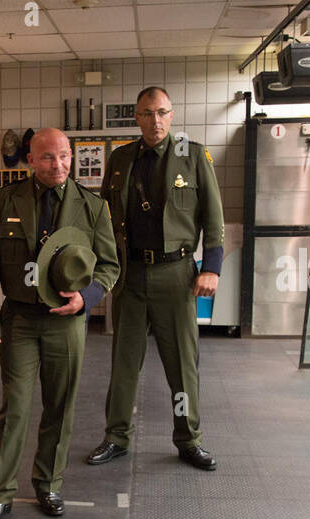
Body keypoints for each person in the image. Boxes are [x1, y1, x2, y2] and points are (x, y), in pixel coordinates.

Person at [0, 128, 120, 519]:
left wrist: (85, 299)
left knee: (60, 405)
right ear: (31, 160)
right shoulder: (6, 200)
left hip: (66, 323)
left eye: (65, 156)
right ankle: (0, 494)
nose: (58, 165)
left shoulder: (92, 206)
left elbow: (109, 266)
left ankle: (48, 483)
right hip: (19, 319)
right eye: (48, 157)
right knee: (15, 407)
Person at [87, 86, 223, 471]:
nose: (156, 120)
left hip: (176, 274)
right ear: (137, 117)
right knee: (124, 361)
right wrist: (102, 270)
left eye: (162, 112)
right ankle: (116, 436)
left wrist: (211, 266)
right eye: (147, 113)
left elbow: (213, 217)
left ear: (173, 114)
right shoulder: (120, 159)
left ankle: (188, 439)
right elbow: (105, 220)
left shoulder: (192, 155)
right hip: (130, 273)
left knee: (181, 363)